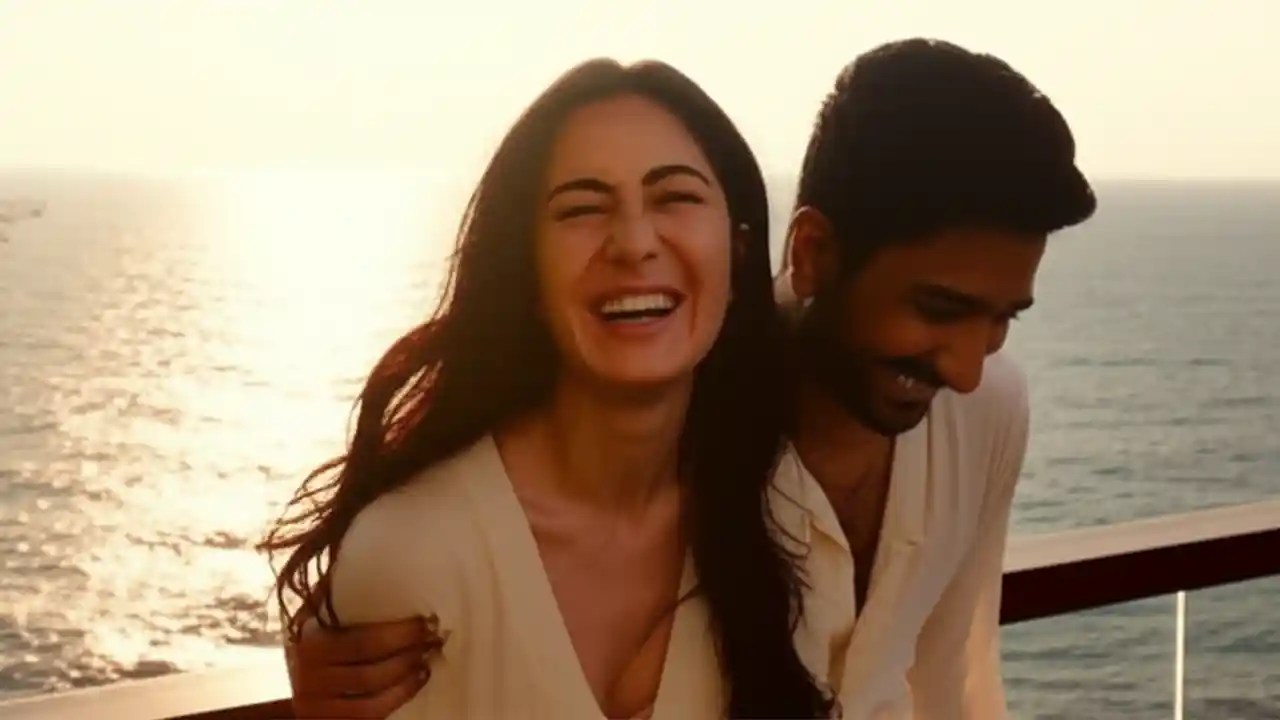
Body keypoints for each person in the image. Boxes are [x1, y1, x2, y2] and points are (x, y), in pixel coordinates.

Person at [279, 38, 1097, 719]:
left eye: (1002, 318)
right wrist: (359, 611)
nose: (964, 365)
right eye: (937, 308)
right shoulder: (674, 406)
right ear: (809, 254)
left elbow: (951, 679)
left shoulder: (988, 408)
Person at [260, 59, 832, 719]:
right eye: (583, 209)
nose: (634, 242)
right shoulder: (417, 555)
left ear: (737, 253)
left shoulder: (785, 522)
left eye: (675, 197)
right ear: (527, 273)